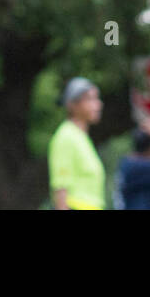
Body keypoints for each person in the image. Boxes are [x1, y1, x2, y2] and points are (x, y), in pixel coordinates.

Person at [48, 77, 106, 209]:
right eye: (90, 99)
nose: (98, 105)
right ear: (72, 104)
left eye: (97, 99)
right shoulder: (65, 137)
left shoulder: (81, 137)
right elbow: (60, 188)